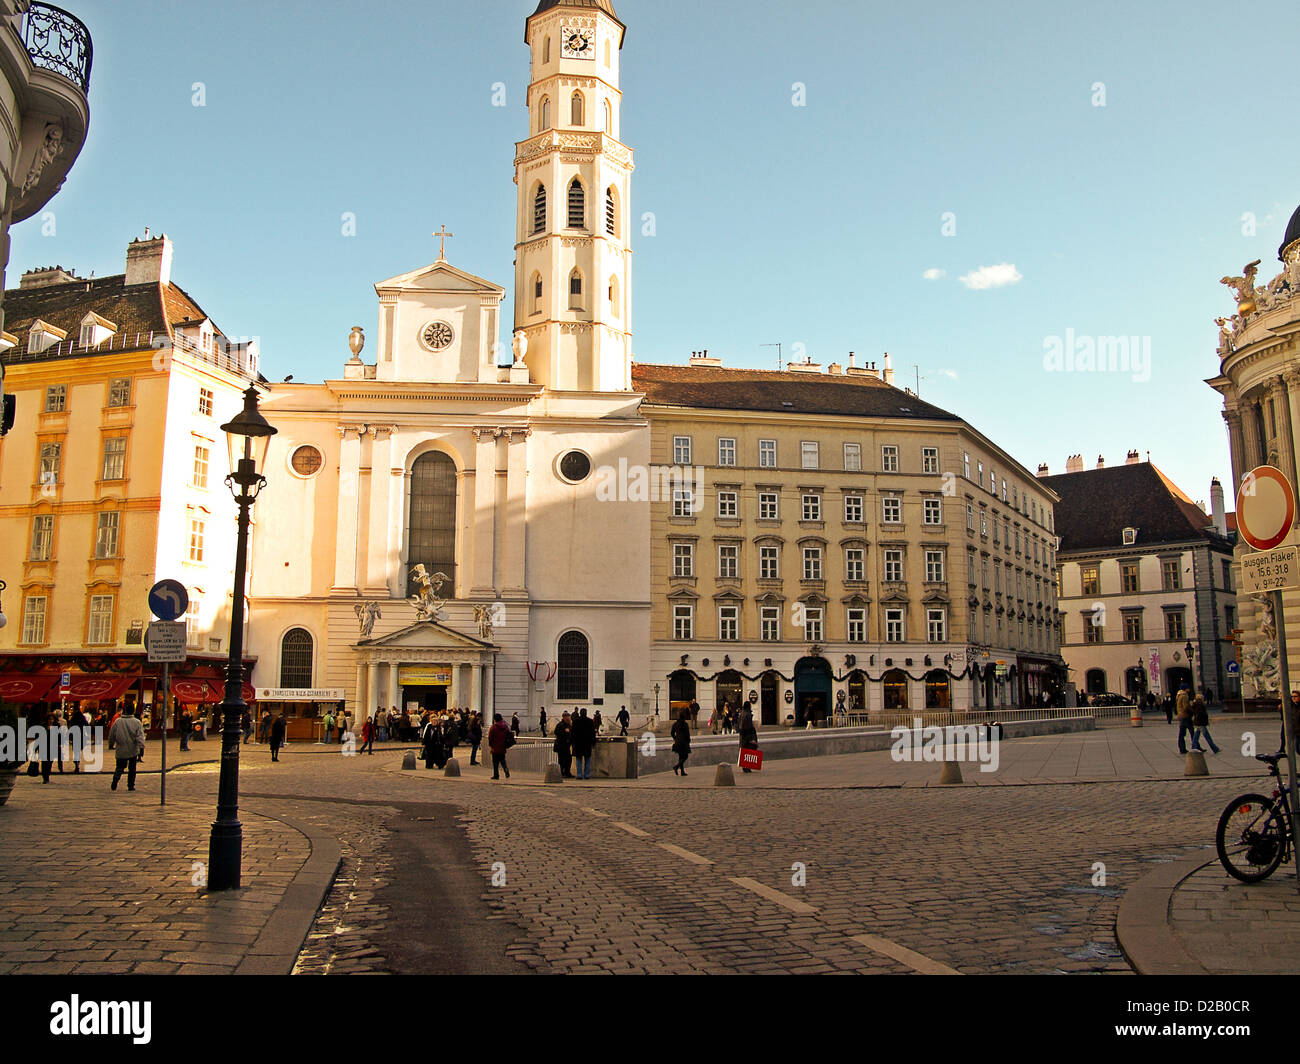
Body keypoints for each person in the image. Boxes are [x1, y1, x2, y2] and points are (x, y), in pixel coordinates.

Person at [108, 705, 146, 791]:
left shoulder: (118, 721)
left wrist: (111, 744)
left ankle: (115, 781)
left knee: (120, 767)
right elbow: (140, 736)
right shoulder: (136, 722)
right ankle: (130, 785)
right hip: (133, 749)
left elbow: (112, 734)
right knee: (132, 769)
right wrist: (141, 747)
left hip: (121, 748)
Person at [572, 707, 596, 780]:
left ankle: (579, 774)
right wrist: (593, 743)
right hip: (587, 743)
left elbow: (573, 733)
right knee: (587, 760)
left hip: (578, 743)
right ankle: (587, 775)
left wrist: (573, 742)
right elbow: (593, 733)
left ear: (580, 713)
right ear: (586, 713)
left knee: (578, 759)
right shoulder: (590, 721)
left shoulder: (576, 721)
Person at [488, 713, 513, 780]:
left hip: (495, 747)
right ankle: (505, 769)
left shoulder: (493, 727)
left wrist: (491, 746)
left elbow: (490, 738)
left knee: (495, 762)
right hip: (503, 746)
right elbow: (508, 735)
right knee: (502, 760)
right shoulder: (505, 726)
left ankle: (496, 775)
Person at [738, 703, 759, 773]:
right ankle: (747, 767)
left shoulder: (741, 713)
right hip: (747, 735)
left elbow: (739, 724)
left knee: (744, 751)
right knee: (749, 751)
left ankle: (745, 767)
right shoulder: (747, 714)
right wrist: (752, 738)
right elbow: (749, 726)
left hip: (742, 735)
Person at [671, 709, 691, 776]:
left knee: (680, 757)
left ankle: (682, 771)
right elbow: (687, 734)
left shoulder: (675, 724)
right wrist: (688, 740)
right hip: (684, 742)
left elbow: (672, 733)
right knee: (685, 756)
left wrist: (675, 738)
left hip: (678, 742)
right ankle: (676, 767)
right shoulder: (685, 724)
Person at [1175, 683, 1195, 754]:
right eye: (1188, 688)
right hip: (1185, 715)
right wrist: (1192, 711)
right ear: (1185, 688)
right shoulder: (1184, 695)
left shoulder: (1179, 694)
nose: (1189, 689)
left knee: (1182, 733)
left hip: (1181, 715)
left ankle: (1182, 748)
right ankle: (1195, 746)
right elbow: (1186, 706)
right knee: (1192, 731)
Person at [553, 711, 573, 779]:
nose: (569, 719)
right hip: (561, 745)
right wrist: (564, 731)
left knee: (568, 759)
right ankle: (562, 772)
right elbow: (556, 732)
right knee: (561, 760)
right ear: (564, 718)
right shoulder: (560, 725)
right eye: (568, 718)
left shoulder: (569, 725)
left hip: (567, 745)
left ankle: (567, 772)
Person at [69, 705, 87, 774]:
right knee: (78, 751)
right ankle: (77, 763)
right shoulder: (82, 719)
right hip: (81, 736)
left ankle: (76, 763)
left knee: (76, 751)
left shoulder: (73, 720)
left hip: (75, 736)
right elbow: (87, 725)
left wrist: (70, 738)